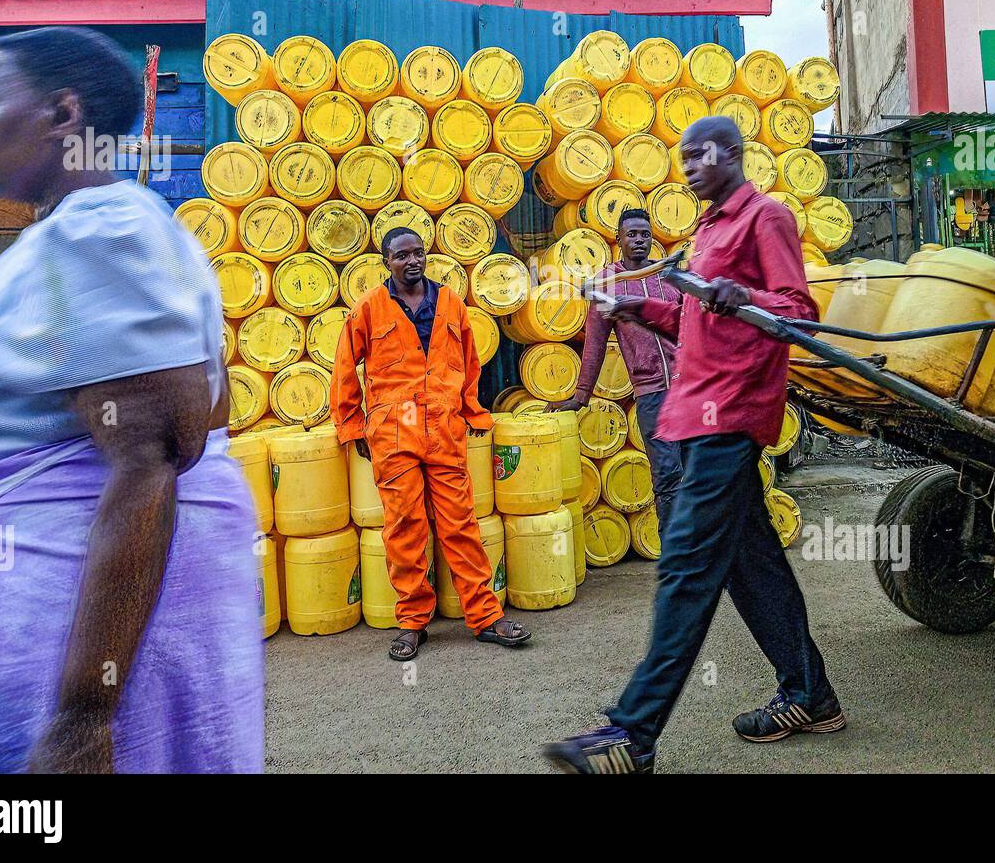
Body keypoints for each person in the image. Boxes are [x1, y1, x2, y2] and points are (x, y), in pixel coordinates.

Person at [0, 27, 262, 773]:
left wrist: (82, 719)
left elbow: (152, 457)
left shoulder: (102, 230)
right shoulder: (90, 232)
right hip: (30, 624)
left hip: (59, 648)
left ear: (63, 114)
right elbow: (214, 400)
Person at [544, 117, 842, 774]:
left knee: (684, 571)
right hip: (692, 414)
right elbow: (690, 318)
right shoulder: (706, 228)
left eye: (699, 155)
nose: (688, 166)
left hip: (728, 420)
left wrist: (748, 295)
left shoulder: (765, 218)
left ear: (733, 154)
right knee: (751, 565)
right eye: (682, 157)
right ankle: (811, 694)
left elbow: (797, 314)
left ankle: (632, 734)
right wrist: (637, 309)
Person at [331, 227, 531, 660]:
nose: (412, 261)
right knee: (405, 528)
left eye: (418, 253)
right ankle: (412, 622)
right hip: (394, 433)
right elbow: (345, 370)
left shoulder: (451, 304)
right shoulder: (368, 309)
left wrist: (472, 410)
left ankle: (485, 616)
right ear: (387, 262)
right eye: (402, 255)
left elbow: (470, 362)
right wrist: (352, 426)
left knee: (461, 523)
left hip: (443, 430)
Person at [548, 208, 682, 525]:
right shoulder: (607, 284)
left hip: (689, 388)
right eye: (632, 234)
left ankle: (704, 556)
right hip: (651, 395)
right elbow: (594, 344)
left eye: (645, 234)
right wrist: (580, 396)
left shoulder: (669, 276)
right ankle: (678, 557)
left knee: (698, 474)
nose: (639, 240)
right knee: (667, 476)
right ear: (618, 238)